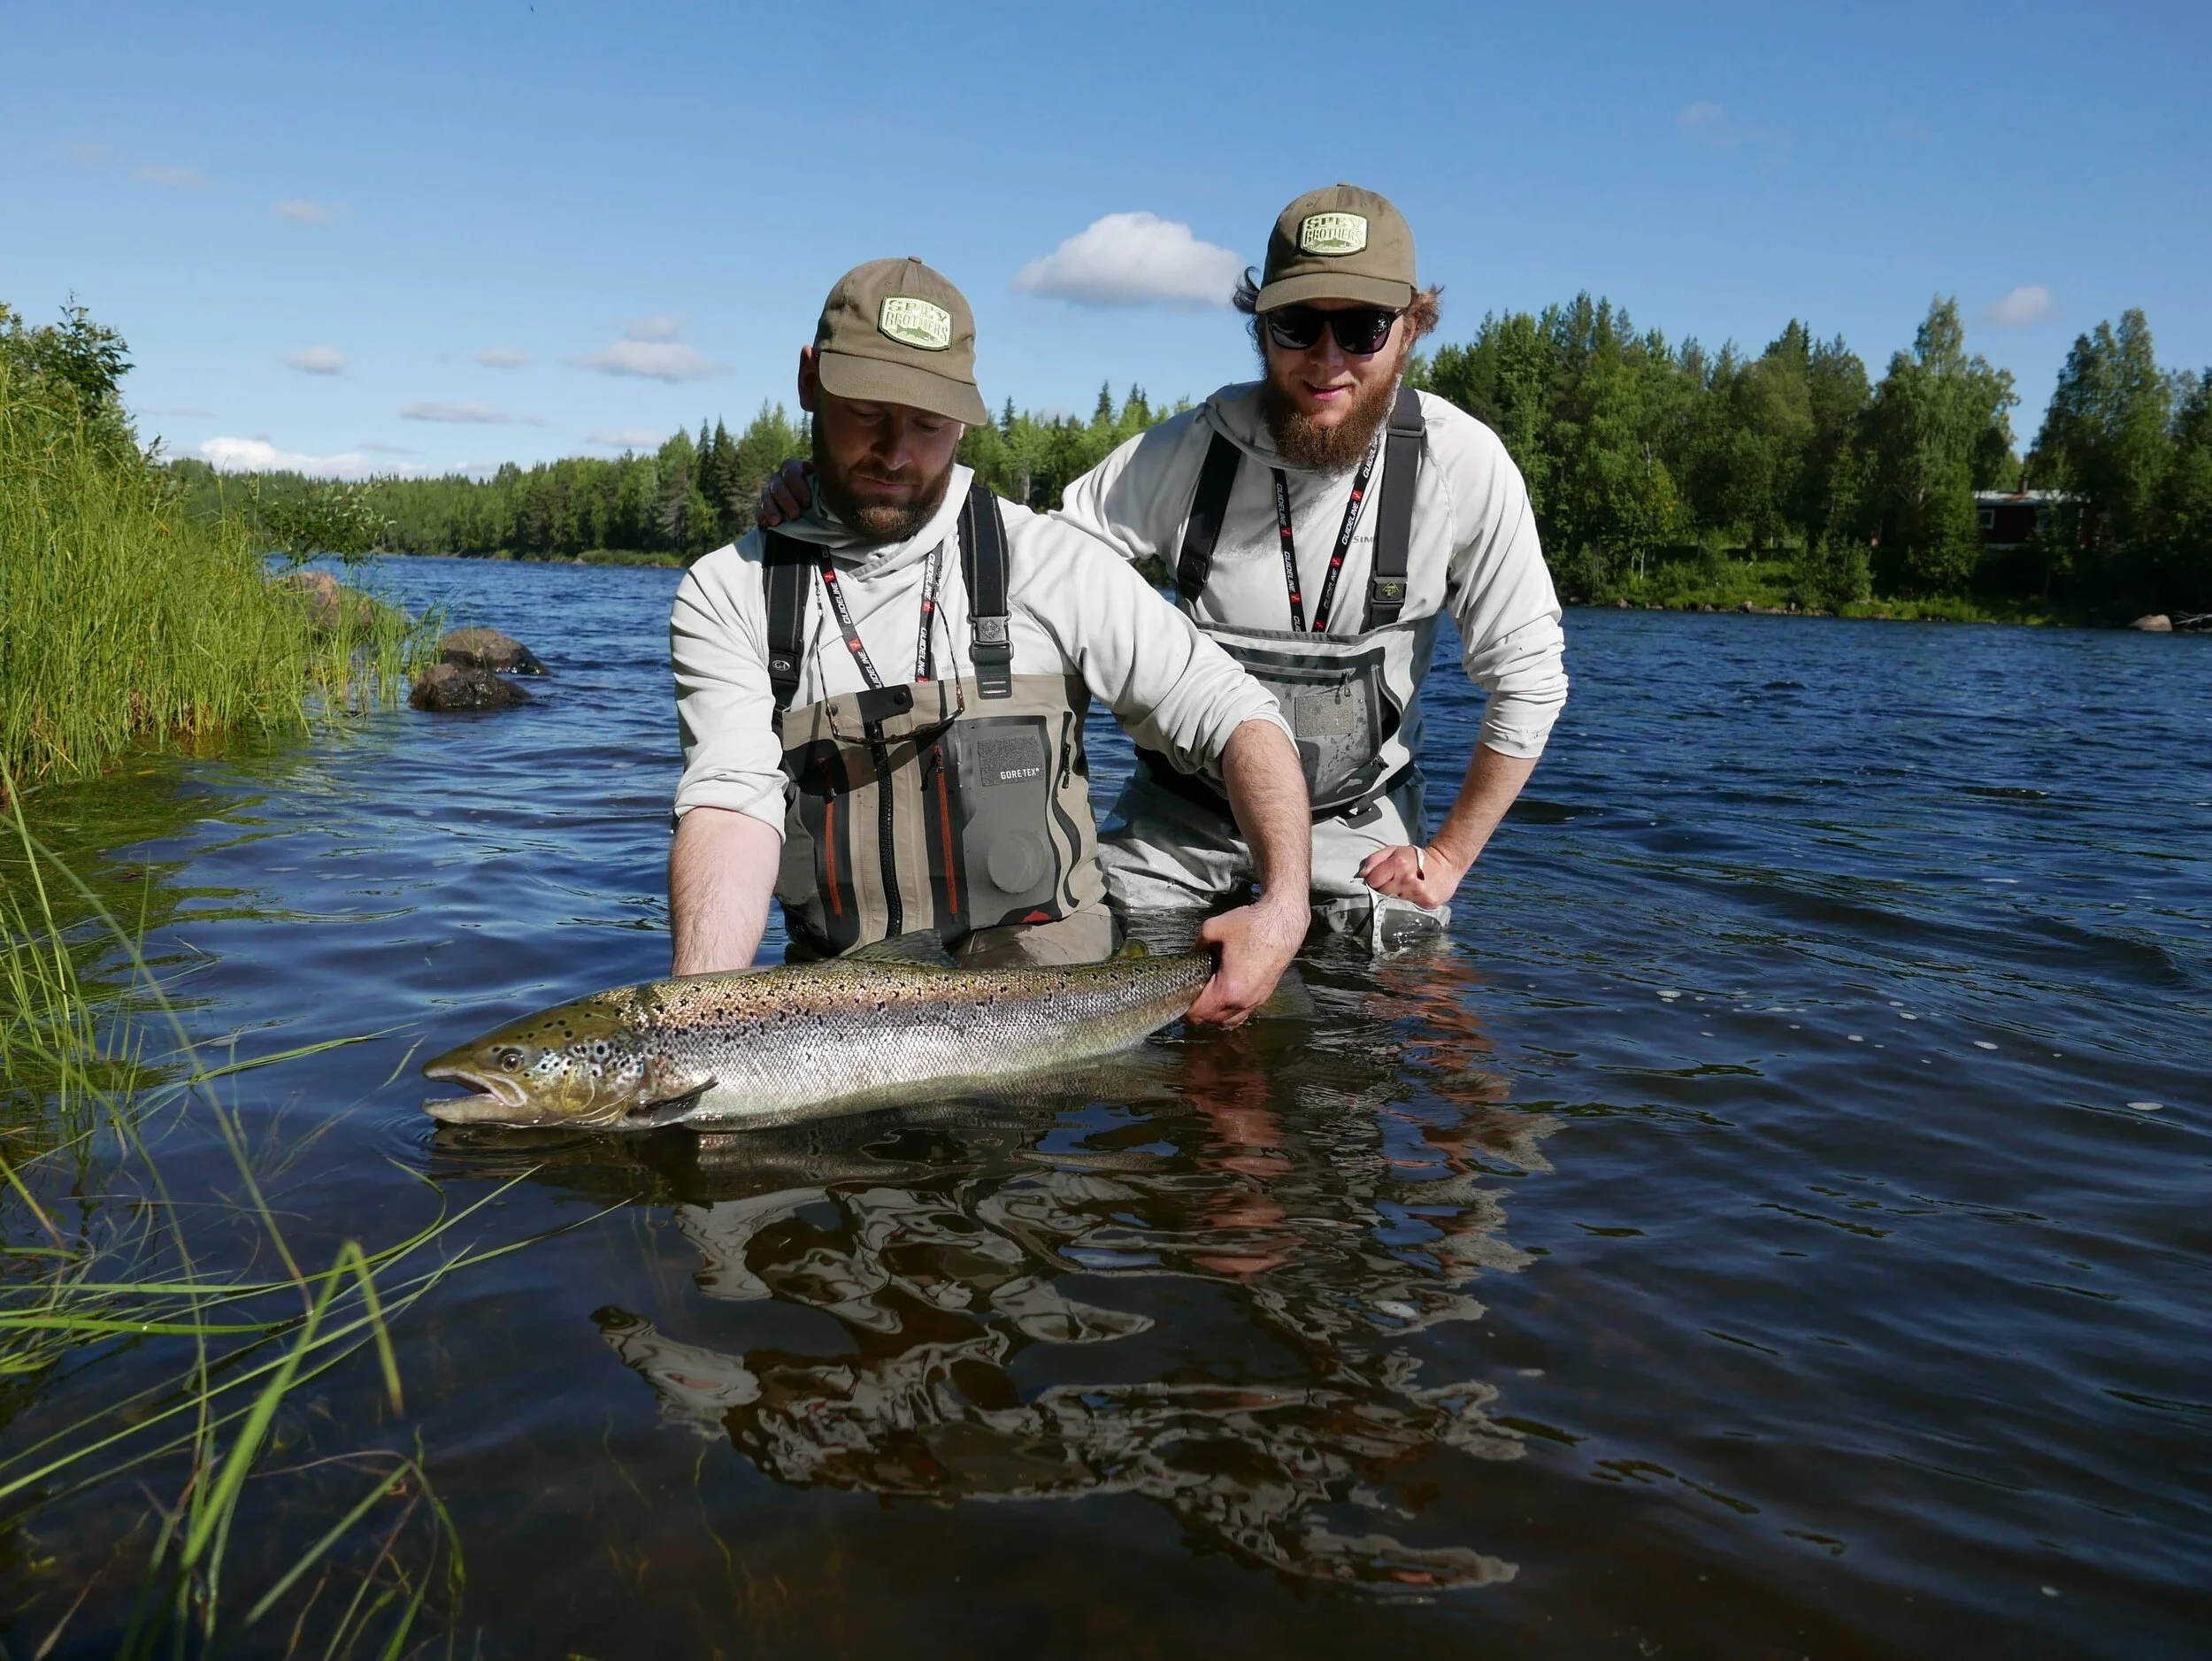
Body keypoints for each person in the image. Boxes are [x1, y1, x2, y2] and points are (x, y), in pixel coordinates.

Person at [759, 188, 1567, 948]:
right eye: (1296, 326)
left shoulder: (1462, 468)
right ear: (1261, 325)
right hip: (1174, 829)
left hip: (1359, 832)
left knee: (1396, 1023)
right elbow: (1010, 571)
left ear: (1412, 328)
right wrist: (843, 504)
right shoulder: (1182, 453)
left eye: (1361, 327)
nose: (1327, 360)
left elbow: (1529, 678)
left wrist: (1449, 858)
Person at [668, 257, 1310, 1026]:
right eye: (867, 411)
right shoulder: (729, 590)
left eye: (930, 423)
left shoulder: (1049, 561)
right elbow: (730, 806)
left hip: (1064, 1013)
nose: (897, 453)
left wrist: (1284, 904)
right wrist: (695, 1027)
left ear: (965, 419)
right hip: (841, 1022)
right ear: (811, 382)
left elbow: (1236, 713)